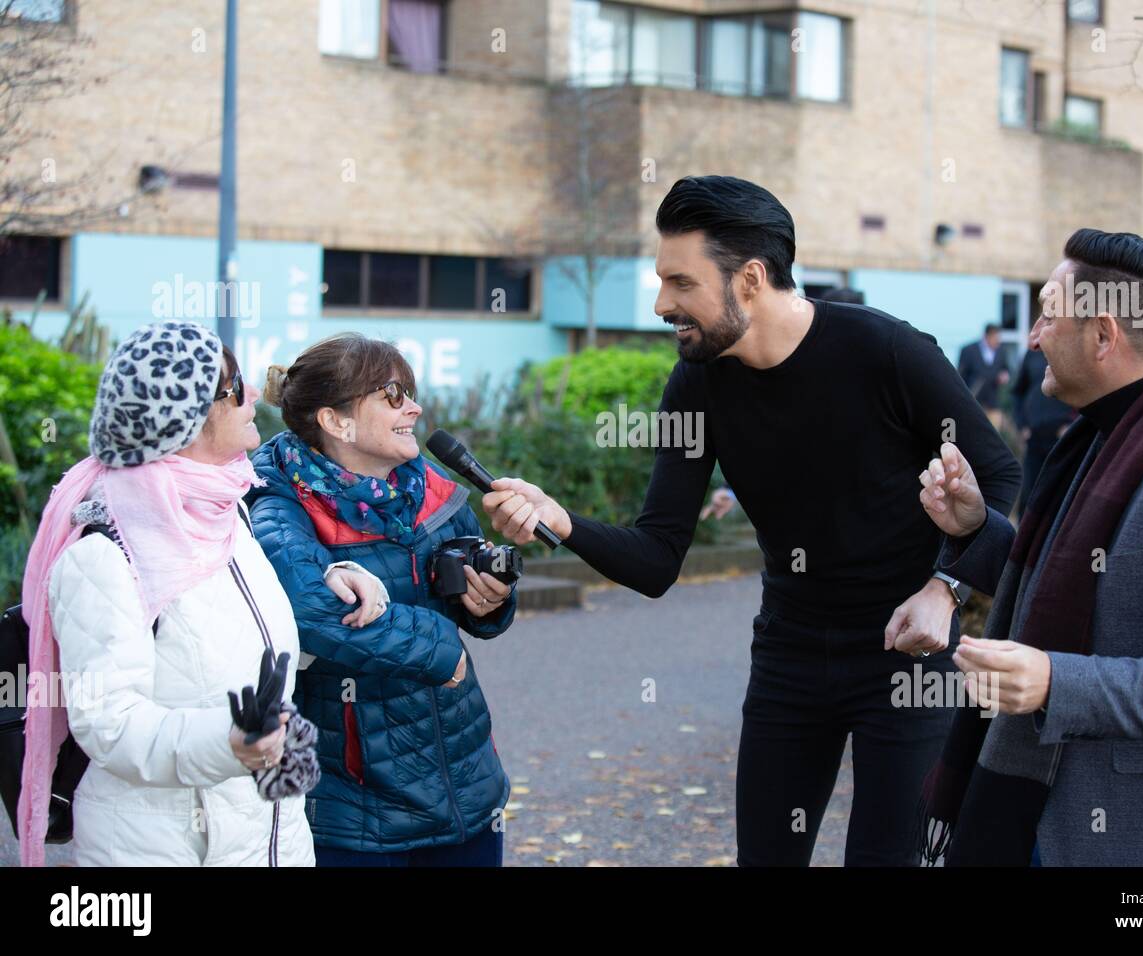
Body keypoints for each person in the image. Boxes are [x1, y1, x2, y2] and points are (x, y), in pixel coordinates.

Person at [484, 175, 1021, 866]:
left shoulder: (886, 351)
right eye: (661, 280)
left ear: (750, 278)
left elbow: (1000, 475)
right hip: (791, 658)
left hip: (907, 657)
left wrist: (944, 589)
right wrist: (562, 520)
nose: (661, 304)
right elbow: (656, 559)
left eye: (680, 282)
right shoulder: (696, 384)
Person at [916, 230, 1143, 866]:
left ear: (1104, 335)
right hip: (1055, 806)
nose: (1033, 337)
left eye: (1049, 315)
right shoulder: (1103, 435)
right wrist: (976, 529)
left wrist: (1055, 680)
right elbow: (1082, 588)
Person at [23, 321, 388, 867]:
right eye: (234, 387)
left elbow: (253, 649)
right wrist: (230, 743)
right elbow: (108, 723)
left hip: (266, 834)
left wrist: (332, 587)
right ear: (185, 418)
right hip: (165, 849)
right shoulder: (104, 554)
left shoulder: (224, 512)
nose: (255, 395)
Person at [246, 333, 518, 867]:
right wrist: (445, 649)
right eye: (392, 395)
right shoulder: (277, 505)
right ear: (336, 421)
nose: (413, 407)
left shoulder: (433, 490)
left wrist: (490, 602)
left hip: (468, 787)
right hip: (356, 811)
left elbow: (471, 604)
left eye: (410, 392)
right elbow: (311, 613)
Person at [1009, 347, 1073, 517]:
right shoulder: (1032, 354)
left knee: (1061, 494)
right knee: (1030, 493)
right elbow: (1017, 392)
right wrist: (1022, 425)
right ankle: (1024, 540)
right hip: (1034, 437)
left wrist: (1072, 424)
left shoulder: (1072, 351)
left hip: (1063, 437)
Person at [957, 323, 1013, 427]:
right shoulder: (968, 350)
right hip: (974, 401)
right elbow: (960, 375)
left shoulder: (1001, 351)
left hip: (993, 402)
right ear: (987, 336)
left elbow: (1006, 369)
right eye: (995, 337)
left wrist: (1005, 376)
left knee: (994, 434)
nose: (997, 341)